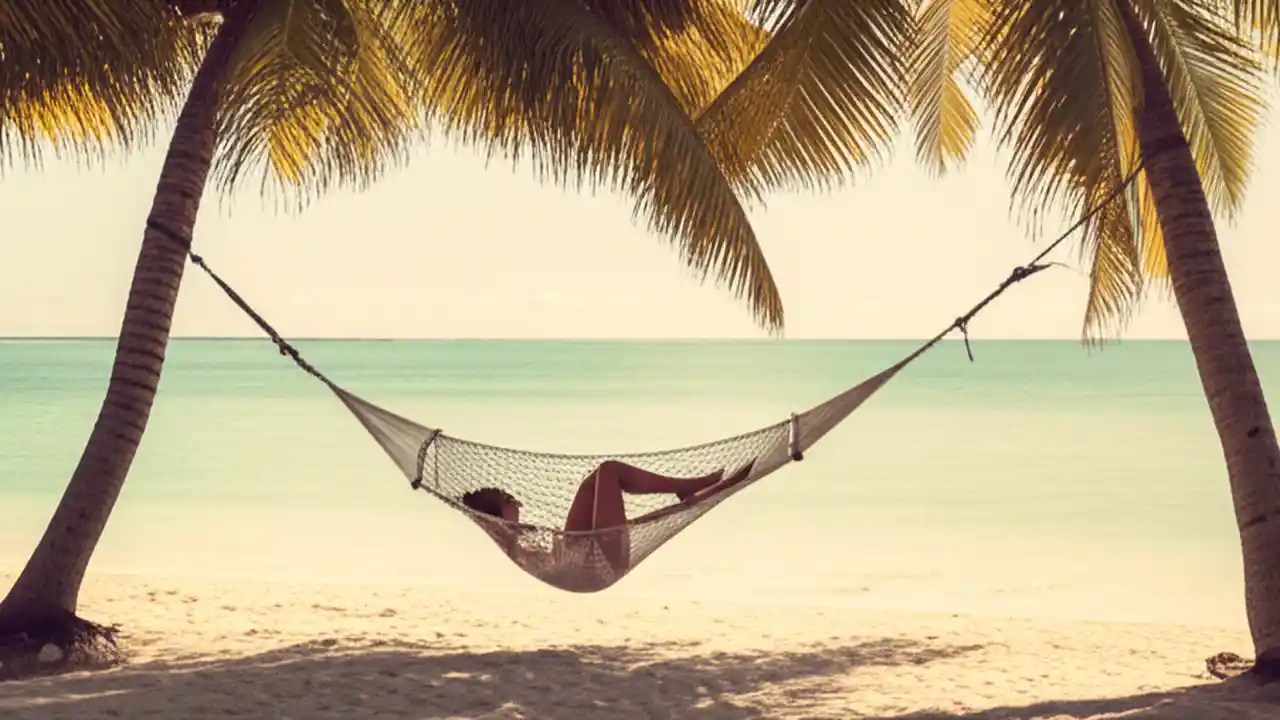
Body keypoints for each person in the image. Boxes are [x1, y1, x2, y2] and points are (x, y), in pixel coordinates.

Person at [460, 459, 755, 577]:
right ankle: (688, 486)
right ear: (497, 516)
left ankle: (692, 489)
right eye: (510, 500)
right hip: (595, 565)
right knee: (610, 471)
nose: (517, 502)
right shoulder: (509, 538)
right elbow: (502, 533)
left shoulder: (516, 536)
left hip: (581, 553)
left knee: (597, 477)